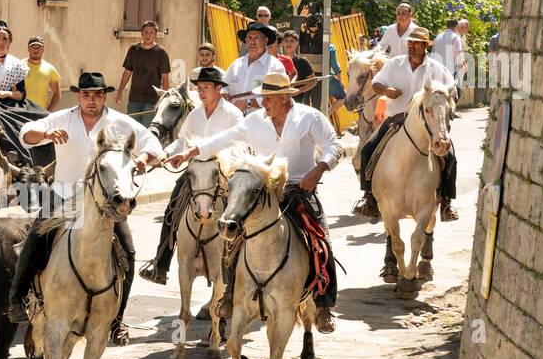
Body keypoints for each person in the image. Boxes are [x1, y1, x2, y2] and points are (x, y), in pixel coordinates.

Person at [170, 72, 343, 333]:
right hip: (263, 191)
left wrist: (318, 170)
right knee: (231, 233)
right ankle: (228, 294)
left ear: (283, 97)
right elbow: (223, 139)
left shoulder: (310, 117)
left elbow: (334, 146)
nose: (263, 103)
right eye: (262, 97)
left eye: (268, 98)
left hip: (300, 187)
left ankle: (324, 304)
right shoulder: (254, 122)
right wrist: (189, 152)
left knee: (321, 240)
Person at [7, 72, 164, 346]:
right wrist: (45, 133)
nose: (92, 100)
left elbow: (152, 142)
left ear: (104, 96)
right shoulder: (63, 118)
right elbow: (24, 135)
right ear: (79, 96)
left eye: (97, 95)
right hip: (64, 195)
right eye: (86, 95)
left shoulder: (118, 122)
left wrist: (143, 158)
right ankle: (17, 300)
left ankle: (117, 320)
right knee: (34, 240)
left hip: (106, 202)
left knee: (127, 252)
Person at [138, 65, 243, 286]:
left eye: (206, 87)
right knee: (173, 208)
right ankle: (160, 264)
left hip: (224, 174)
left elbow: (240, 144)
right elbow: (182, 141)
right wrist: (165, 153)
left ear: (219, 89)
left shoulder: (233, 114)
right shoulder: (195, 114)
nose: (201, 91)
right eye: (199, 87)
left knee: (242, 217)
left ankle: (239, 273)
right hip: (195, 172)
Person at [352, 26, 459, 221]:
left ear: (425, 46)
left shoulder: (437, 68)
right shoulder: (394, 64)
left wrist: (444, 112)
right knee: (368, 150)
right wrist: (385, 90)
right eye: (410, 42)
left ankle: (446, 203)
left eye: (416, 43)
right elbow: (376, 82)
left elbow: (453, 93)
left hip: (425, 125)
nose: (412, 46)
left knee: (450, 156)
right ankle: (369, 199)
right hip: (395, 119)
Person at [0, 20, 53, 169]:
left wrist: (7, 93)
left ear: (9, 43)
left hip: (9, 104)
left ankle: (14, 153)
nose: (1, 41)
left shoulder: (17, 65)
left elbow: (21, 95)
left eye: (5, 38)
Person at [116, 20, 171, 127]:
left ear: (155, 35)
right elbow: (127, 72)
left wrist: (164, 98)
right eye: (145, 32)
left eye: (151, 32)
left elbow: (165, 78)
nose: (148, 35)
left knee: (145, 131)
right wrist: (120, 91)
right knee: (132, 129)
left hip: (152, 100)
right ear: (141, 33)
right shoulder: (133, 50)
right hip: (134, 98)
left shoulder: (161, 53)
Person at [224, 21, 287, 113]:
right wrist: (224, 92)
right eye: (249, 37)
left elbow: (278, 96)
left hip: (261, 122)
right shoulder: (236, 64)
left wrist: (249, 103)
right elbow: (223, 85)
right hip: (234, 120)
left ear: (265, 41)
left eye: (257, 37)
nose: (252, 42)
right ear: (245, 41)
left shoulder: (275, 66)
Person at [280, 30, 318, 108]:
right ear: (282, 43)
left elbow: (313, 81)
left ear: (297, 44)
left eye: (292, 41)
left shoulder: (302, 62)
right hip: (278, 101)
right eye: (286, 41)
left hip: (297, 103)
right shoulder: (277, 60)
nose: (289, 43)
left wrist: (300, 90)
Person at [24, 36, 61, 111]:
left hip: (41, 113)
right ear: (28, 48)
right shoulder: (20, 66)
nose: (36, 49)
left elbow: (57, 93)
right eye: (33, 46)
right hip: (22, 112)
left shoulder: (50, 69)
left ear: (43, 49)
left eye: (39, 47)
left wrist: (49, 111)